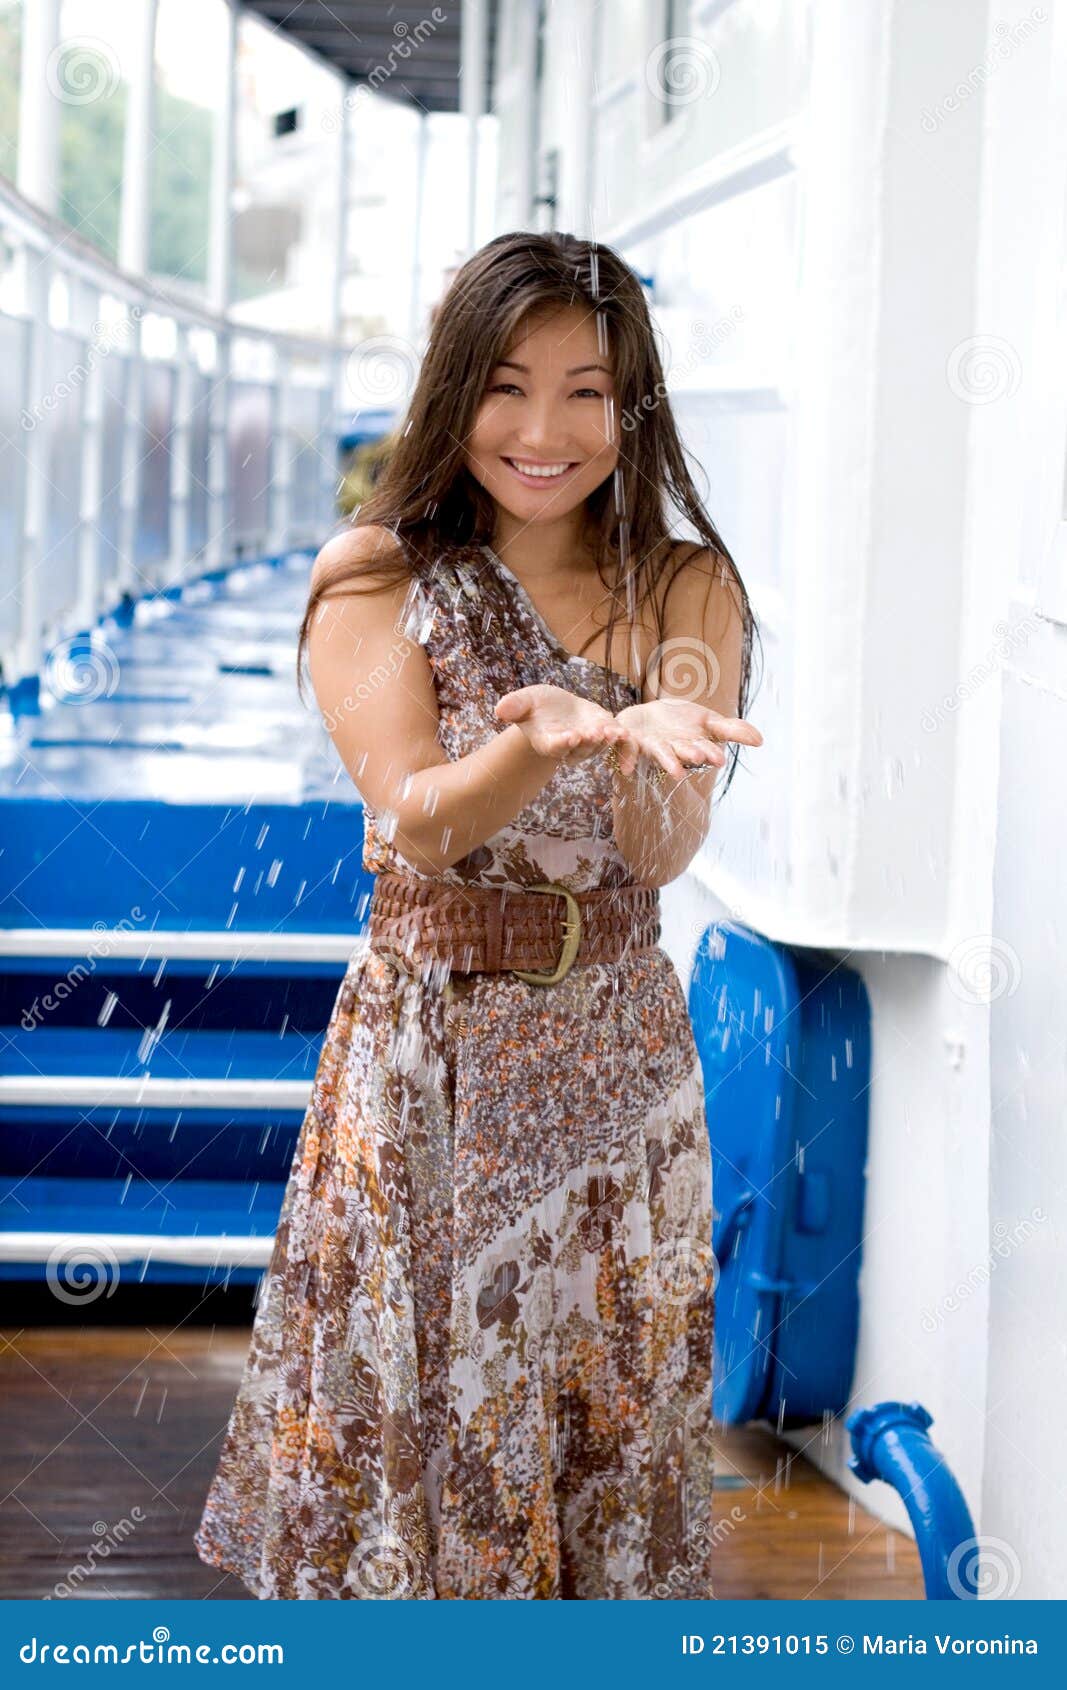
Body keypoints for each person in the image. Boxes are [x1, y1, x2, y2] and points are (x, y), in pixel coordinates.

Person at [193, 230, 763, 1600]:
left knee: (605, 1415)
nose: (546, 430)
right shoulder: (375, 578)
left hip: (619, 1054)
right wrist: (550, 741)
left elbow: (663, 854)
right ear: (456, 391)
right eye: (509, 386)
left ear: (636, 407)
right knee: (424, 1409)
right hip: (427, 1058)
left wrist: (636, 761)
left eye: (588, 390)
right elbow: (418, 817)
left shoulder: (688, 587)